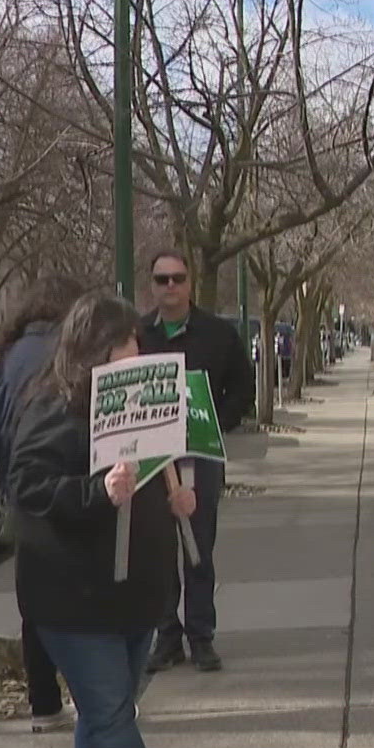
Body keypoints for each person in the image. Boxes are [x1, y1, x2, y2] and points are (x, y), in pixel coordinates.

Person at [7, 292, 194, 748]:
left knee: (107, 706)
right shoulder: (51, 408)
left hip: (136, 590)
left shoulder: (143, 401)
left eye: (135, 341)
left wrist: (177, 495)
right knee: (112, 712)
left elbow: (162, 469)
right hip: (73, 596)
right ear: (93, 353)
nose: (135, 351)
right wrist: (95, 494)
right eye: (123, 343)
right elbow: (27, 487)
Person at [138, 249, 255, 674]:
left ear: (189, 283)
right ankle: (166, 638)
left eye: (177, 278)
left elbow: (244, 389)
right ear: (151, 285)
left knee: (198, 550)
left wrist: (213, 425)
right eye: (161, 279)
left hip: (199, 458)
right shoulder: (137, 336)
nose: (169, 286)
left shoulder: (217, 334)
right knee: (158, 550)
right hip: (152, 462)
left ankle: (201, 636)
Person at [0, 275, 86, 733]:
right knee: (84, 597)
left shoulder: (3, 359)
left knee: (35, 603)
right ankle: (89, 694)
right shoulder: (70, 354)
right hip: (70, 484)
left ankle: (43, 701)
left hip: (21, 492)